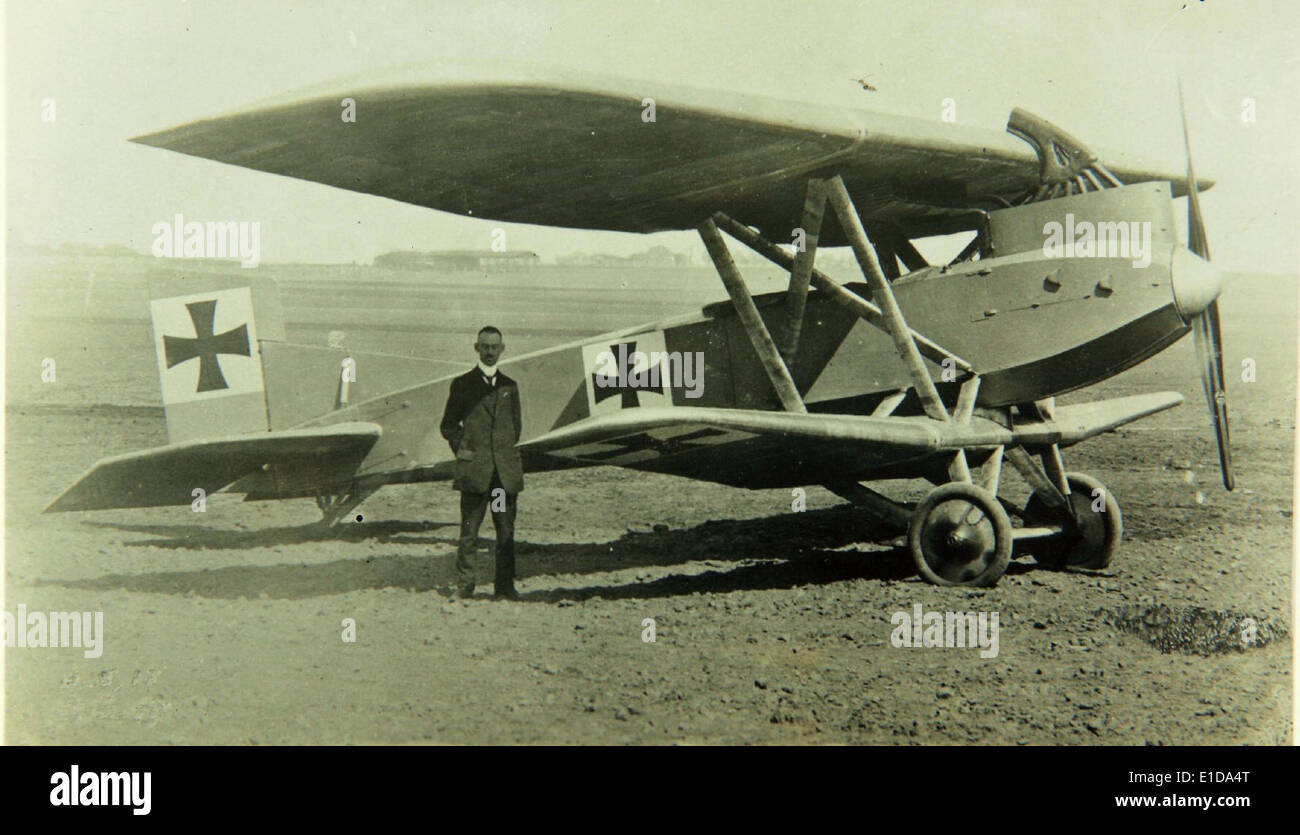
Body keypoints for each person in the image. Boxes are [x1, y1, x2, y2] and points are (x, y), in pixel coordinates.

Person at [439, 326, 524, 600]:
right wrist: (464, 451)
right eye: (484, 346)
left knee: (504, 532)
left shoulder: (510, 386)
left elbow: (515, 427)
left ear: (502, 348)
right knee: (469, 532)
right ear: (476, 348)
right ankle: (465, 586)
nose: (489, 352)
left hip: (501, 480)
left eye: (494, 347)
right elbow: (448, 425)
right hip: (475, 476)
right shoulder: (462, 385)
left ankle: (504, 588)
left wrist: (503, 455)